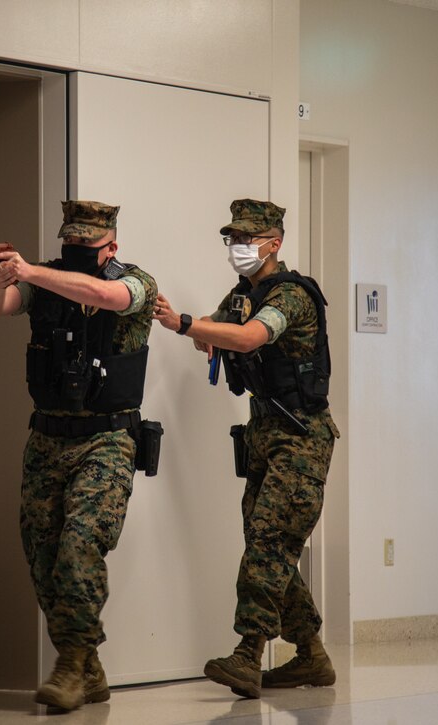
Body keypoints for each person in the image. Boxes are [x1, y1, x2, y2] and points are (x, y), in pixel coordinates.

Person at [153, 199, 339, 699]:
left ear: (273, 243)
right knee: (270, 543)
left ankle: (247, 653)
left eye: (246, 239)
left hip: (300, 438)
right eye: (232, 239)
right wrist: (201, 332)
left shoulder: (291, 297)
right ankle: (311, 656)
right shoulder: (242, 293)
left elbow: (251, 336)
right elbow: (219, 335)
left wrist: (189, 324)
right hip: (263, 434)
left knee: (268, 541)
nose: (237, 248)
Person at [0, 200, 158, 710]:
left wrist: (30, 269)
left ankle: (70, 666)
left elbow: (105, 296)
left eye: (87, 244)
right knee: (43, 557)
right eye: (70, 243)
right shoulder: (45, 280)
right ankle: (90, 668)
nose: (76, 251)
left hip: (106, 440)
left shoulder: (135, 283)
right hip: (48, 439)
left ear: (112, 246)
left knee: (80, 547)